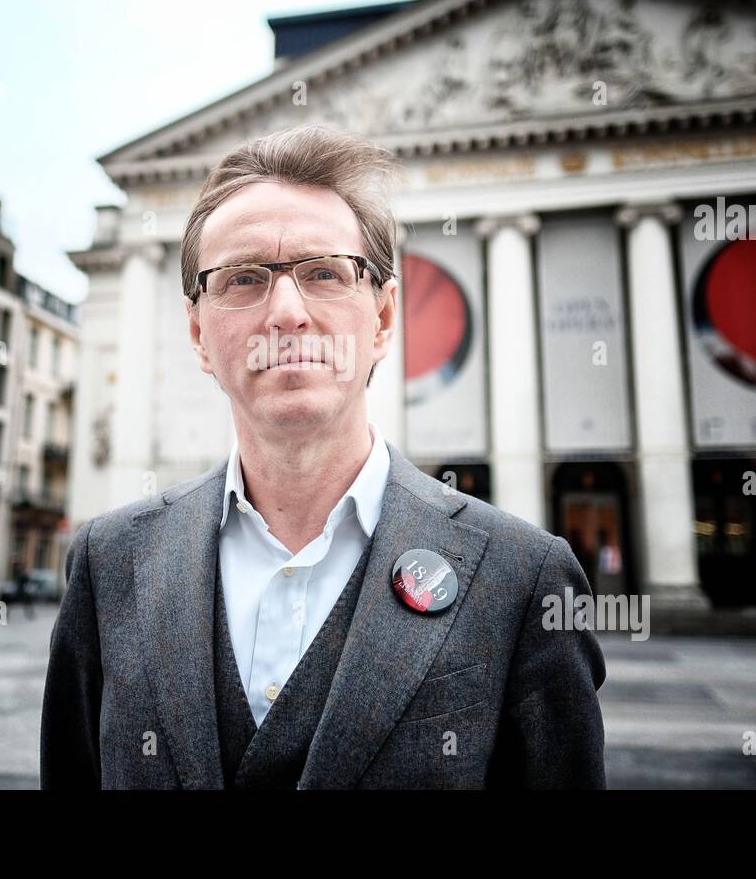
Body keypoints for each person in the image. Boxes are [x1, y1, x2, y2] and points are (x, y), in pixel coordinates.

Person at [40, 123, 606, 789]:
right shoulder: (109, 566)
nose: (286, 312)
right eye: (244, 278)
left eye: (323, 273)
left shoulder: (523, 577)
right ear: (198, 332)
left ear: (385, 318)